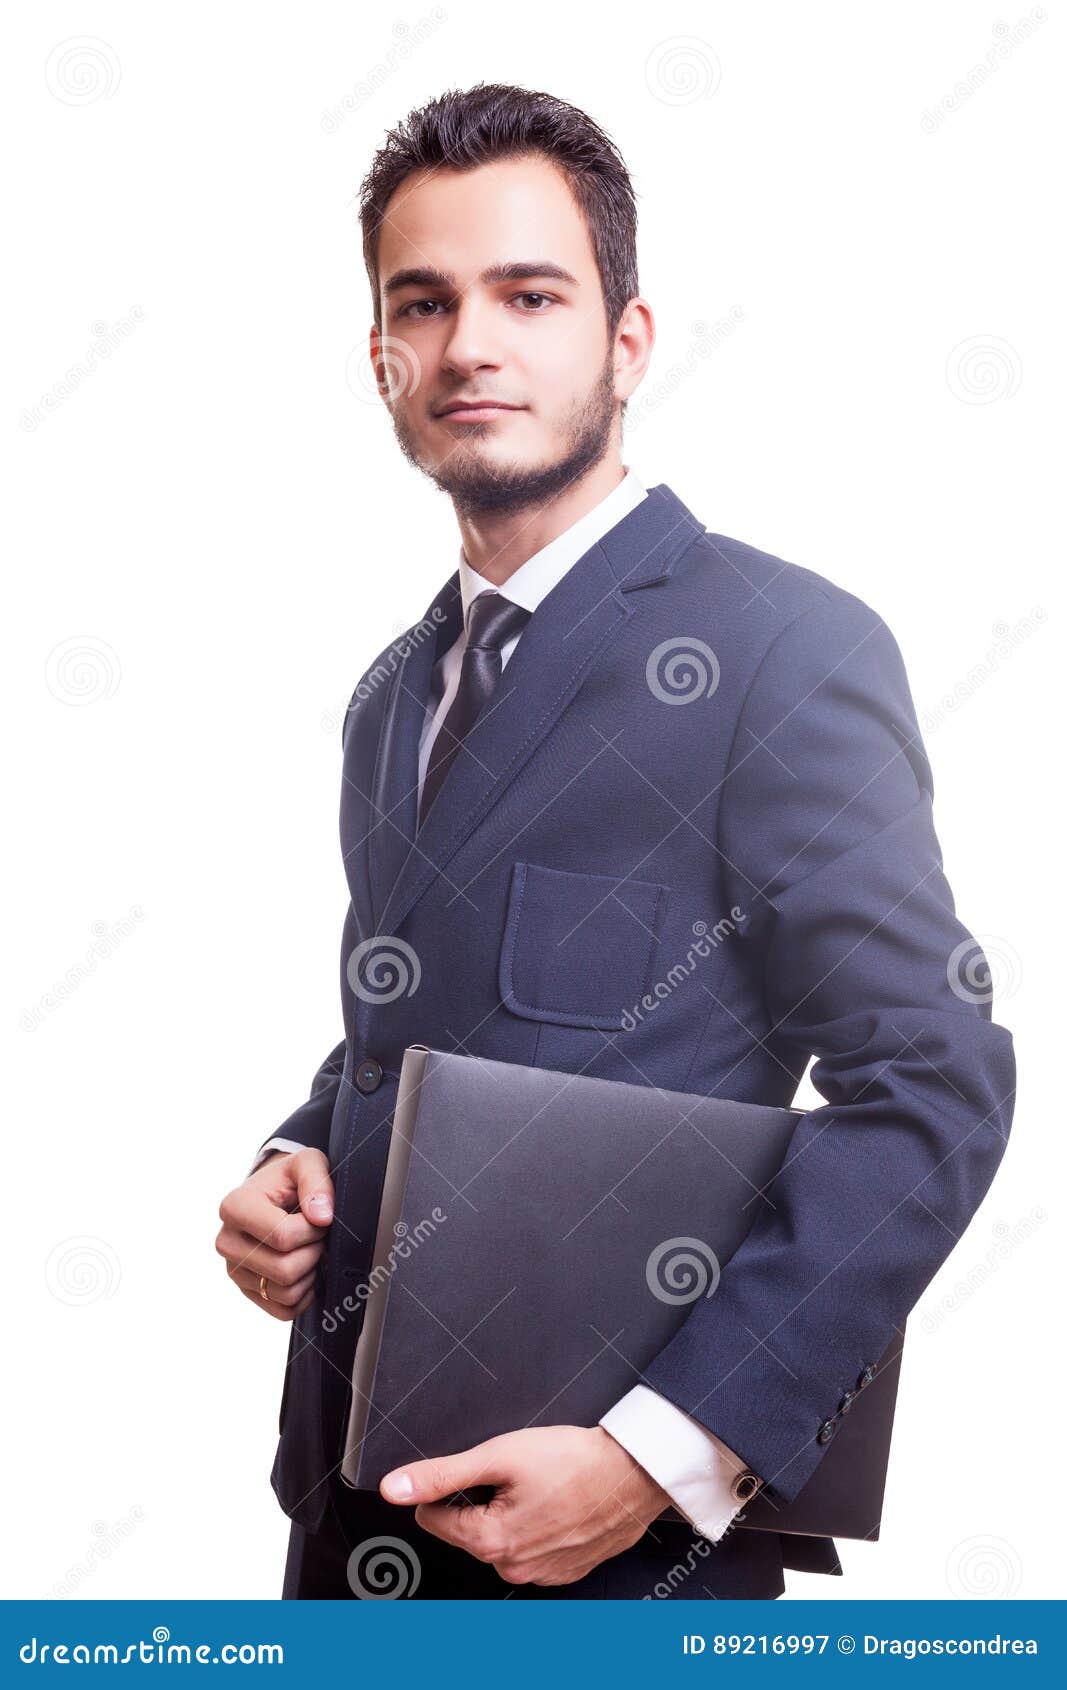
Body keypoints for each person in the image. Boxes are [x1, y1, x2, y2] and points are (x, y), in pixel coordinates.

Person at [215, 83, 1015, 1600]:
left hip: (615, 1570)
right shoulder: (391, 697)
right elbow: (407, 1037)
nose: (471, 346)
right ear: (381, 355)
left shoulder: (785, 651)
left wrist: (667, 1449)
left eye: (530, 294)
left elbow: (934, 1085)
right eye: (423, 303)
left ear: (627, 341)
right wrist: (296, 1164)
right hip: (343, 1539)